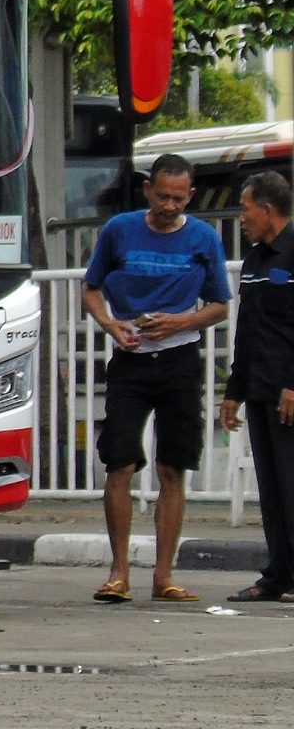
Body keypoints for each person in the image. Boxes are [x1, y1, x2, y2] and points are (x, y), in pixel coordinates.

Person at [80, 152, 230, 603]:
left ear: (191, 196)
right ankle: (118, 571)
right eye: (163, 196)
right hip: (129, 360)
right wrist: (110, 324)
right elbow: (91, 288)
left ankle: (164, 575)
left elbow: (220, 305)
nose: (169, 206)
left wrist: (180, 323)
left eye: (179, 199)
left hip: (180, 360)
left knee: (173, 466)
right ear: (148, 190)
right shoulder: (119, 230)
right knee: (120, 461)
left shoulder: (204, 238)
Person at [219, 171, 294, 602]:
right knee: (271, 488)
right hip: (261, 389)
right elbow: (247, 331)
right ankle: (278, 576)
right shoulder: (255, 261)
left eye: (246, 209)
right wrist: (234, 391)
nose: (242, 218)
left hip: (289, 393)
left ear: (267, 209)